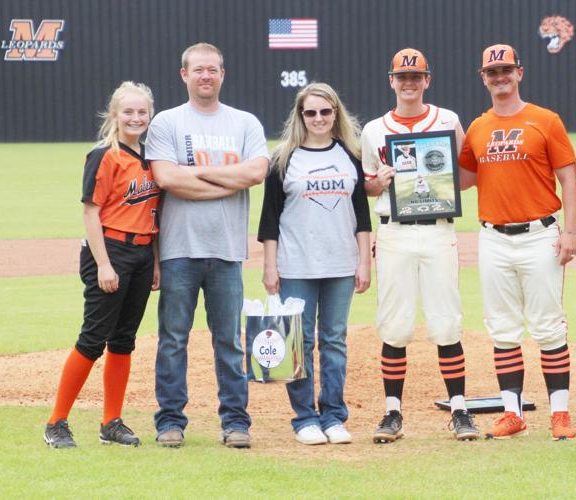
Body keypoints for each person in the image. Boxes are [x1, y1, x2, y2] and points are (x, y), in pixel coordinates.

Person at [145, 43, 269, 449]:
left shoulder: (244, 122)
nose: (205, 76)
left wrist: (194, 175)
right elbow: (167, 179)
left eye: (212, 69)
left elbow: (256, 173)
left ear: (222, 74)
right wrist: (226, 181)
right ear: (184, 74)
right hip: (178, 249)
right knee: (173, 340)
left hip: (227, 250)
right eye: (198, 70)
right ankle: (170, 421)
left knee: (229, 341)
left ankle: (235, 422)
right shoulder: (167, 122)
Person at [458, 44, 576, 441]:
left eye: (506, 69)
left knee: (549, 325)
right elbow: (462, 180)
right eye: (492, 71)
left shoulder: (545, 120)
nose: (500, 76)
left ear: (519, 73)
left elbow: (569, 179)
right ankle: (512, 413)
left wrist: (571, 231)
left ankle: (560, 413)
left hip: (539, 234)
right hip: (493, 236)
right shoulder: (478, 127)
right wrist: (416, 166)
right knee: (503, 328)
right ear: (483, 78)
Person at [361, 48, 480, 443]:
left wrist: (445, 182)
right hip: (393, 230)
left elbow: (466, 176)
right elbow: (366, 185)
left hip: (437, 228)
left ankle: (460, 410)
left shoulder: (447, 120)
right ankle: (392, 412)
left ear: (426, 80)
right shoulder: (374, 130)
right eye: (402, 77)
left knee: (446, 322)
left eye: (416, 77)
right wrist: (379, 182)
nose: (408, 83)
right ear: (392, 81)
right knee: (395, 325)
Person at [44, 81, 161, 448]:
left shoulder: (152, 157)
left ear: (150, 115)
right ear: (114, 115)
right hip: (110, 250)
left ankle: (111, 422)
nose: (135, 117)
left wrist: (155, 261)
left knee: (123, 340)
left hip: (143, 253)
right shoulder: (104, 155)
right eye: (128, 111)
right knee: (93, 339)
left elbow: (153, 213)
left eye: (142, 111)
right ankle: (56, 422)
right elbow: (90, 213)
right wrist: (104, 265)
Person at [258, 82, 372, 445]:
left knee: (334, 341)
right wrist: (270, 267)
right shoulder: (283, 158)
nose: (318, 118)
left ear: (335, 113)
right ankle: (305, 417)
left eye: (325, 111)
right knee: (300, 341)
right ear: (300, 115)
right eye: (311, 112)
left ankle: (334, 416)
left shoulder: (350, 154)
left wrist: (364, 262)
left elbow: (361, 214)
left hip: (341, 264)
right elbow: (269, 219)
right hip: (296, 265)